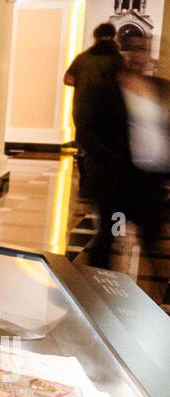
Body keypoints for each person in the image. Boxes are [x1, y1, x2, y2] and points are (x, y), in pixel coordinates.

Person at [65, 23, 131, 268]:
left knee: (85, 149)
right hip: (106, 122)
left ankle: (87, 184)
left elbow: (68, 78)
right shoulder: (116, 60)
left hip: (82, 114)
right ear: (113, 37)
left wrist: (84, 85)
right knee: (106, 164)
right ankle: (111, 228)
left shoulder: (83, 58)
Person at [117, 34, 170, 295]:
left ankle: (154, 300)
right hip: (121, 179)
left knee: (152, 238)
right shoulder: (113, 88)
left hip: (152, 178)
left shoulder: (158, 87)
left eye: (141, 49)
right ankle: (103, 296)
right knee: (113, 237)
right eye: (131, 49)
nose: (136, 55)